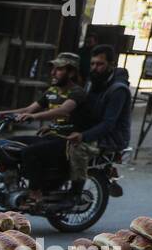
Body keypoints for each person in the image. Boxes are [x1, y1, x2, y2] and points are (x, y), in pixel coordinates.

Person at [6, 53, 91, 203]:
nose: (53, 73)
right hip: (52, 136)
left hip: (67, 141)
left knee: (30, 152)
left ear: (71, 72)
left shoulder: (77, 92)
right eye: (53, 68)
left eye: (59, 69)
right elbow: (28, 109)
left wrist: (35, 117)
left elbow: (63, 110)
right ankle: (12, 183)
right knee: (8, 144)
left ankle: (36, 192)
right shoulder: (51, 92)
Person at [66, 45, 132, 196]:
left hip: (112, 138)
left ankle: (75, 193)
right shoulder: (94, 82)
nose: (95, 68)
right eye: (93, 64)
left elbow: (108, 124)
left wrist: (83, 136)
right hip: (95, 129)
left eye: (100, 64)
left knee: (78, 148)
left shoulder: (118, 90)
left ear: (111, 65)